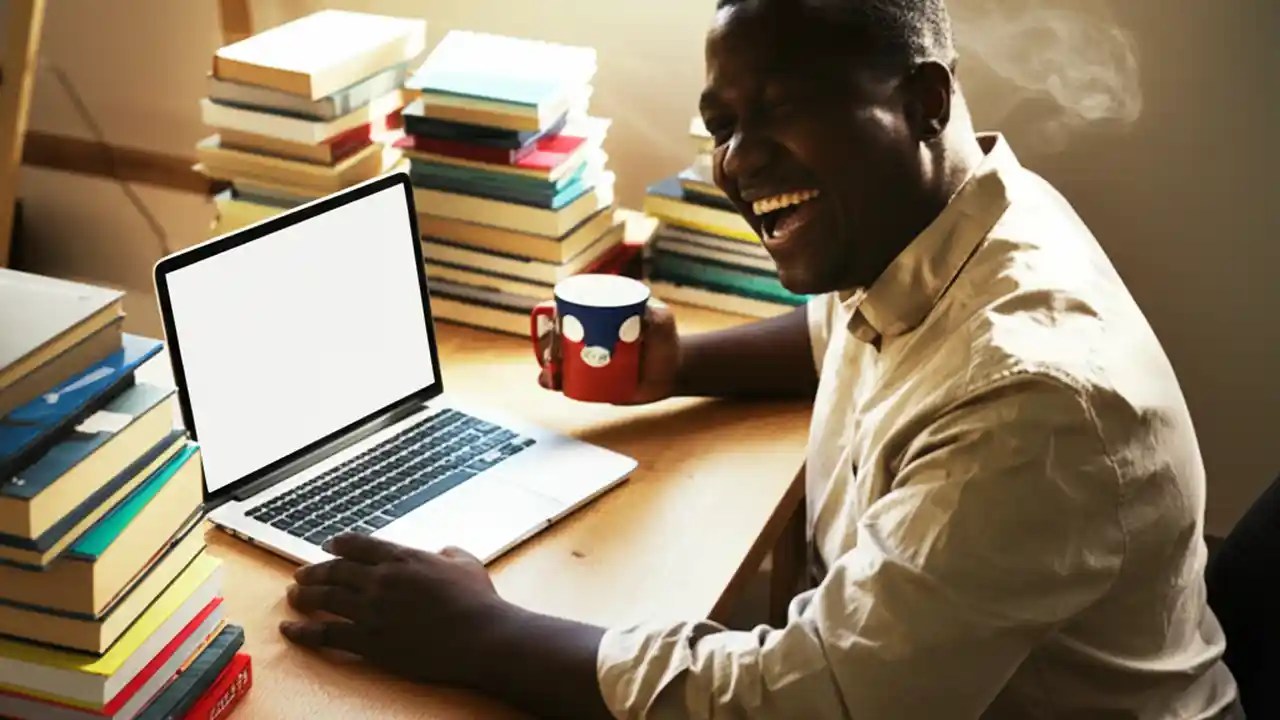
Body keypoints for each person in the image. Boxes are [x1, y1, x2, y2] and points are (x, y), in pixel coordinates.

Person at [279, 0, 1243, 717]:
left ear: (922, 101)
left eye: (781, 109)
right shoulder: (964, 222)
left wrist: (480, 633)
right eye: (721, 126)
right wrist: (677, 369)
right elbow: (843, 334)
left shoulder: (1029, 399)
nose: (736, 161)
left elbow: (820, 700)